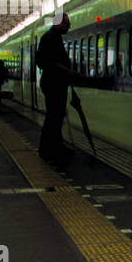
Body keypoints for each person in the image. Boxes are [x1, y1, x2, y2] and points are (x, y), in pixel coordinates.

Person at [36, 12, 76, 164]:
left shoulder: (53, 37)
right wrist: (66, 70)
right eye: (67, 23)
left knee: (56, 117)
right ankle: (48, 150)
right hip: (53, 82)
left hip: (54, 82)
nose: (69, 26)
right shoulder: (50, 38)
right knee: (54, 117)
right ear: (58, 23)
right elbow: (47, 61)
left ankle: (55, 146)